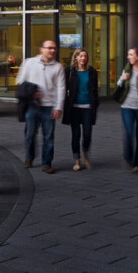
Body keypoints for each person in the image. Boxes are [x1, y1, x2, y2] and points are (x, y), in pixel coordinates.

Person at [15, 39, 65, 173]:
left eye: (54, 48)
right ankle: (29, 157)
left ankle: (47, 163)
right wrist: (31, 92)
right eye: (49, 48)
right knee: (29, 134)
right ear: (41, 49)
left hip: (49, 107)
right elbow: (19, 81)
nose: (52, 50)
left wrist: (58, 107)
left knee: (48, 136)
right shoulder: (29, 63)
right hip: (32, 106)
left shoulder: (58, 67)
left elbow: (61, 88)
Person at [63, 47, 99, 170]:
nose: (83, 58)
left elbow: (95, 90)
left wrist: (95, 103)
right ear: (76, 57)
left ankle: (85, 153)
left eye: (85, 56)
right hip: (74, 108)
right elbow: (63, 88)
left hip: (88, 107)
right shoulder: (69, 71)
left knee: (87, 134)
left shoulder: (92, 72)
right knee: (76, 134)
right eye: (81, 56)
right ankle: (77, 160)